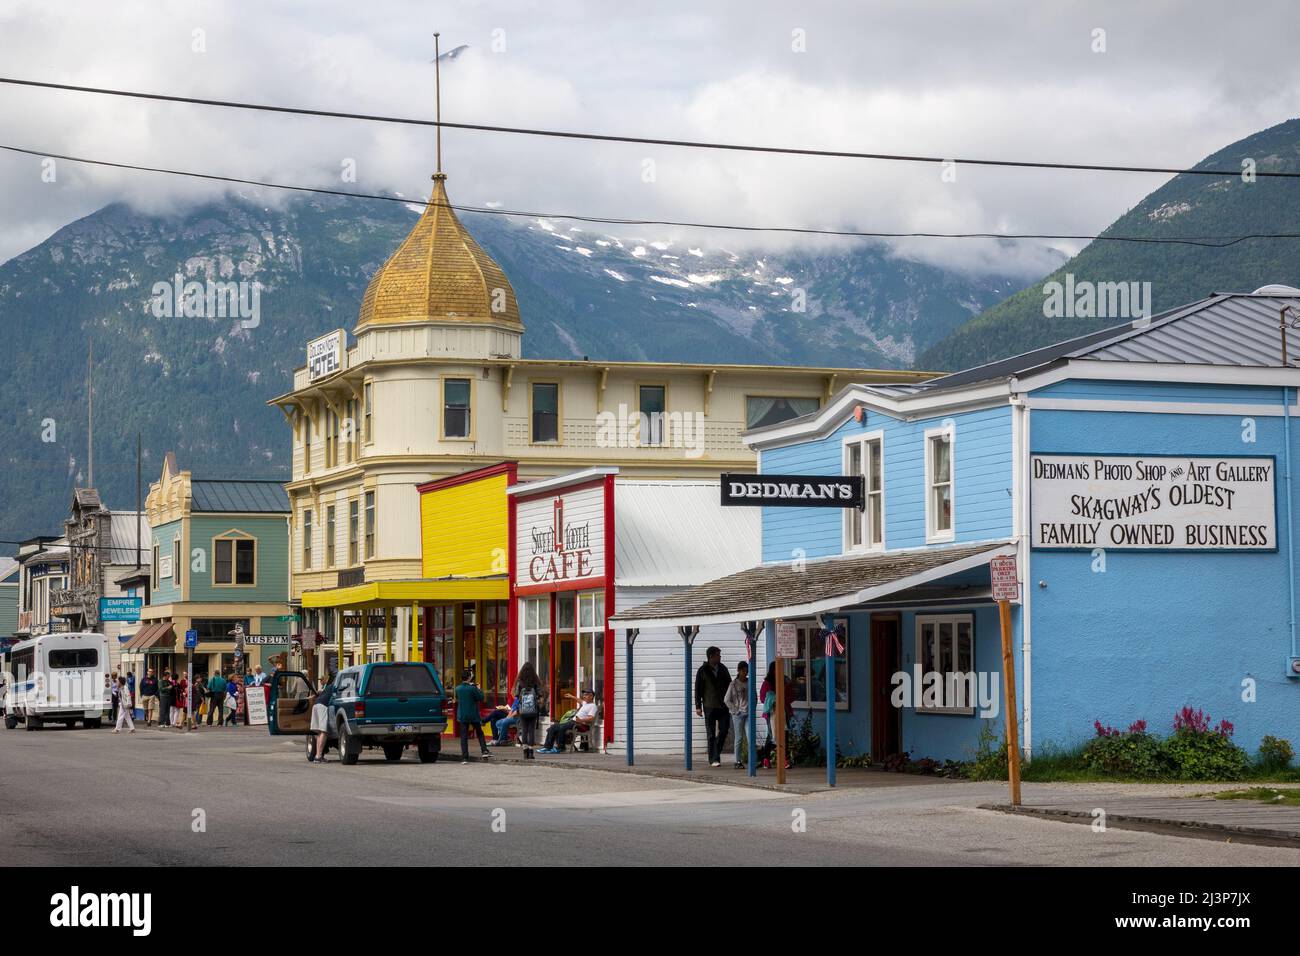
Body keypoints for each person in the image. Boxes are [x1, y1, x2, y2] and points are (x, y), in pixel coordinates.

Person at [694, 646, 732, 768]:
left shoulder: (723, 669)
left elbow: (730, 685)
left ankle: (716, 750)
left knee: (724, 729)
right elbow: (698, 689)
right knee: (710, 733)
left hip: (723, 705)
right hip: (709, 705)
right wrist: (698, 706)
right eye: (718, 655)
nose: (720, 657)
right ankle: (714, 758)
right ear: (711, 656)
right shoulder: (702, 670)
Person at [538, 688, 596, 754]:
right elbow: (580, 700)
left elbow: (591, 718)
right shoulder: (586, 703)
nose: (584, 696)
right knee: (553, 727)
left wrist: (581, 720)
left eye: (586, 695)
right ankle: (547, 747)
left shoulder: (593, 706)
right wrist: (571, 696)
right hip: (573, 722)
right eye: (584, 695)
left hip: (579, 724)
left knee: (561, 728)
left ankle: (560, 748)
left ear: (591, 696)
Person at [759, 662, 794, 770]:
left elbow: (791, 695)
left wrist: (783, 700)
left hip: (784, 711)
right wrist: (774, 701)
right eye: (776, 669)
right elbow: (763, 698)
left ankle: (784, 759)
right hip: (772, 713)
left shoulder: (785, 681)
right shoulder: (767, 683)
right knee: (772, 735)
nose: (778, 671)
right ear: (772, 670)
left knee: (785, 734)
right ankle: (766, 759)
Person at [453, 669, 491, 763]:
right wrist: (478, 689)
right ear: (469, 678)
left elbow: (457, 699)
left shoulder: (457, 689)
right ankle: (484, 750)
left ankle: (465, 757)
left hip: (462, 715)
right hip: (473, 714)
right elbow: (481, 698)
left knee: (464, 736)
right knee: (479, 733)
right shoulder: (472, 688)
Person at [513, 661, 545, 760]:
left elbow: (516, 695)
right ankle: (531, 752)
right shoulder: (535, 681)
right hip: (533, 710)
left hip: (522, 710)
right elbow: (540, 695)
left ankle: (525, 752)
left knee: (524, 730)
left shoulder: (520, 682)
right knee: (531, 731)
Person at [724, 660, 750, 769]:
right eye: (743, 671)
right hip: (738, 714)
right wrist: (735, 710)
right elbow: (726, 700)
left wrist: (752, 707)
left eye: (746, 671)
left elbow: (754, 696)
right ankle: (737, 761)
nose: (745, 673)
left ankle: (751, 759)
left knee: (750, 736)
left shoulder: (750, 682)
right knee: (739, 738)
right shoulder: (733, 684)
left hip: (748, 713)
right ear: (739, 671)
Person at [309, 676, 335, 763]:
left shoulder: (328, 687)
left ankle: (318, 756)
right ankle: (318, 756)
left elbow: (319, 692)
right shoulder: (335, 686)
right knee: (324, 731)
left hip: (316, 705)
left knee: (319, 732)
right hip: (323, 706)